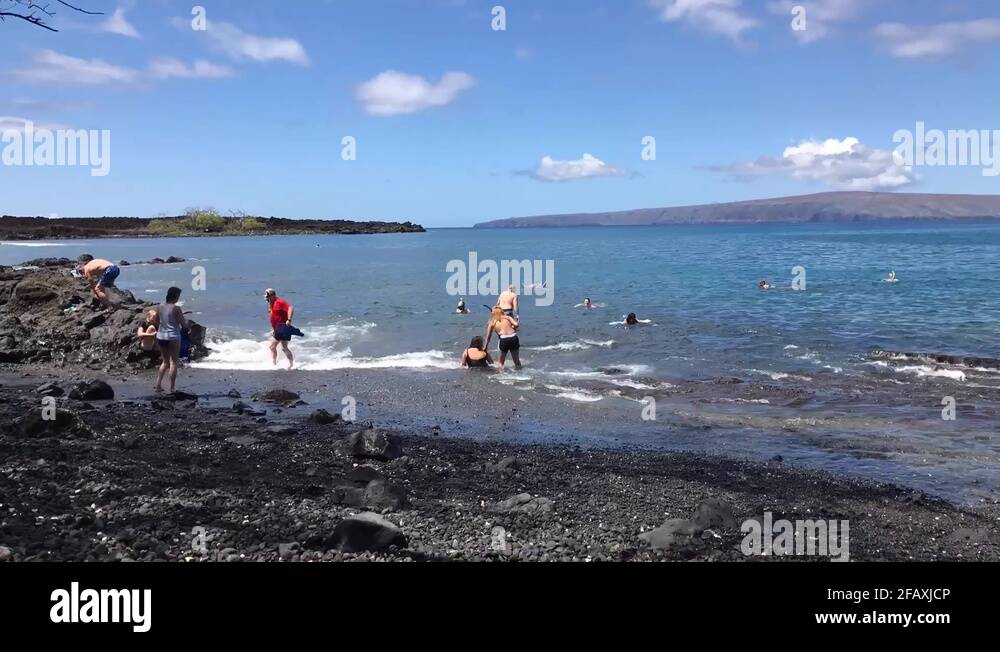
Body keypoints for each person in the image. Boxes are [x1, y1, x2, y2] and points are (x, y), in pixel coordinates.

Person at [155, 287, 188, 393]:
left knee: (165, 362)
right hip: (173, 336)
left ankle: (158, 385)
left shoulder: (160, 306)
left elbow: (156, 320)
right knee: (173, 362)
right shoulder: (176, 308)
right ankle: (172, 387)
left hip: (161, 336)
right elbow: (184, 325)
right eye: (178, 296)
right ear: (175, 296)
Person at [266, 288, 295, 369]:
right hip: (277, 329)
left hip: (283, 328)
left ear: (272, 295)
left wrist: (289, 319)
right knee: (273, 347)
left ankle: (291, 365)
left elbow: (290, 308)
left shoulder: (280, 302)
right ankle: (274, 364)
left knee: (283, 347)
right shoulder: (271, 302)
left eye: (267, 296)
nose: (266, 298)